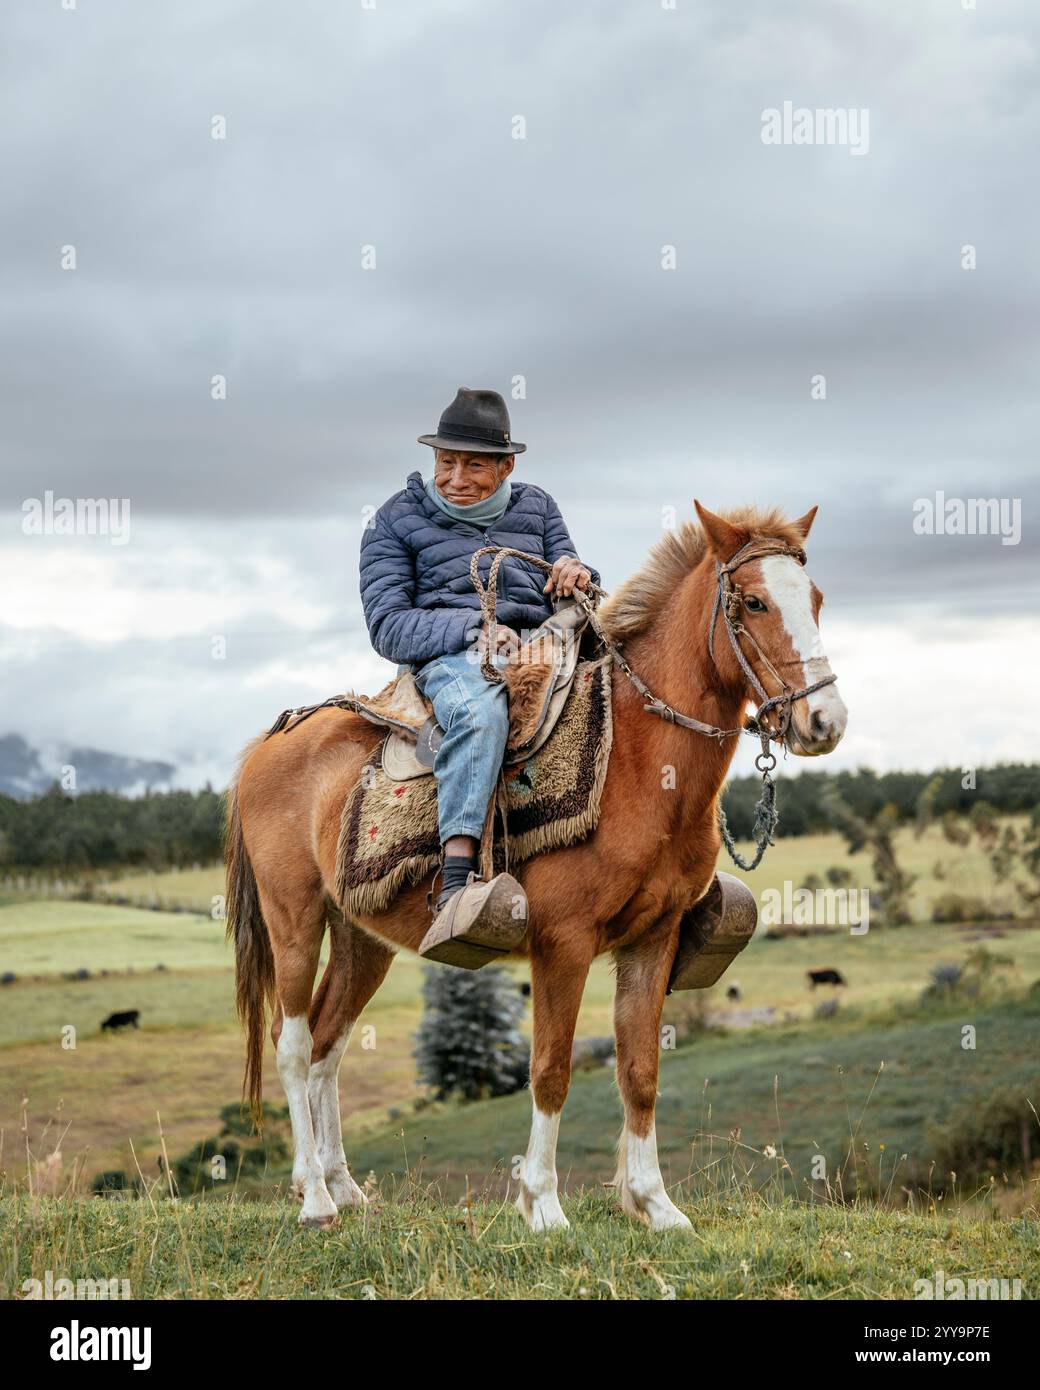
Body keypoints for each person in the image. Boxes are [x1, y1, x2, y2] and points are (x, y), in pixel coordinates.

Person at [360, 387, 597, 942]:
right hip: (451, 656)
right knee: (480, 713)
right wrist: (473, 630)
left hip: (547, 644)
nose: (455, 478)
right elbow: (387, 626)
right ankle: (457, 880)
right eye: (447, 462)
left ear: (506, 467)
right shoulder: (392, 520)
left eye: (474, 465)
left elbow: (565, 566)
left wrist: (575, 572)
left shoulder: (538, 506)